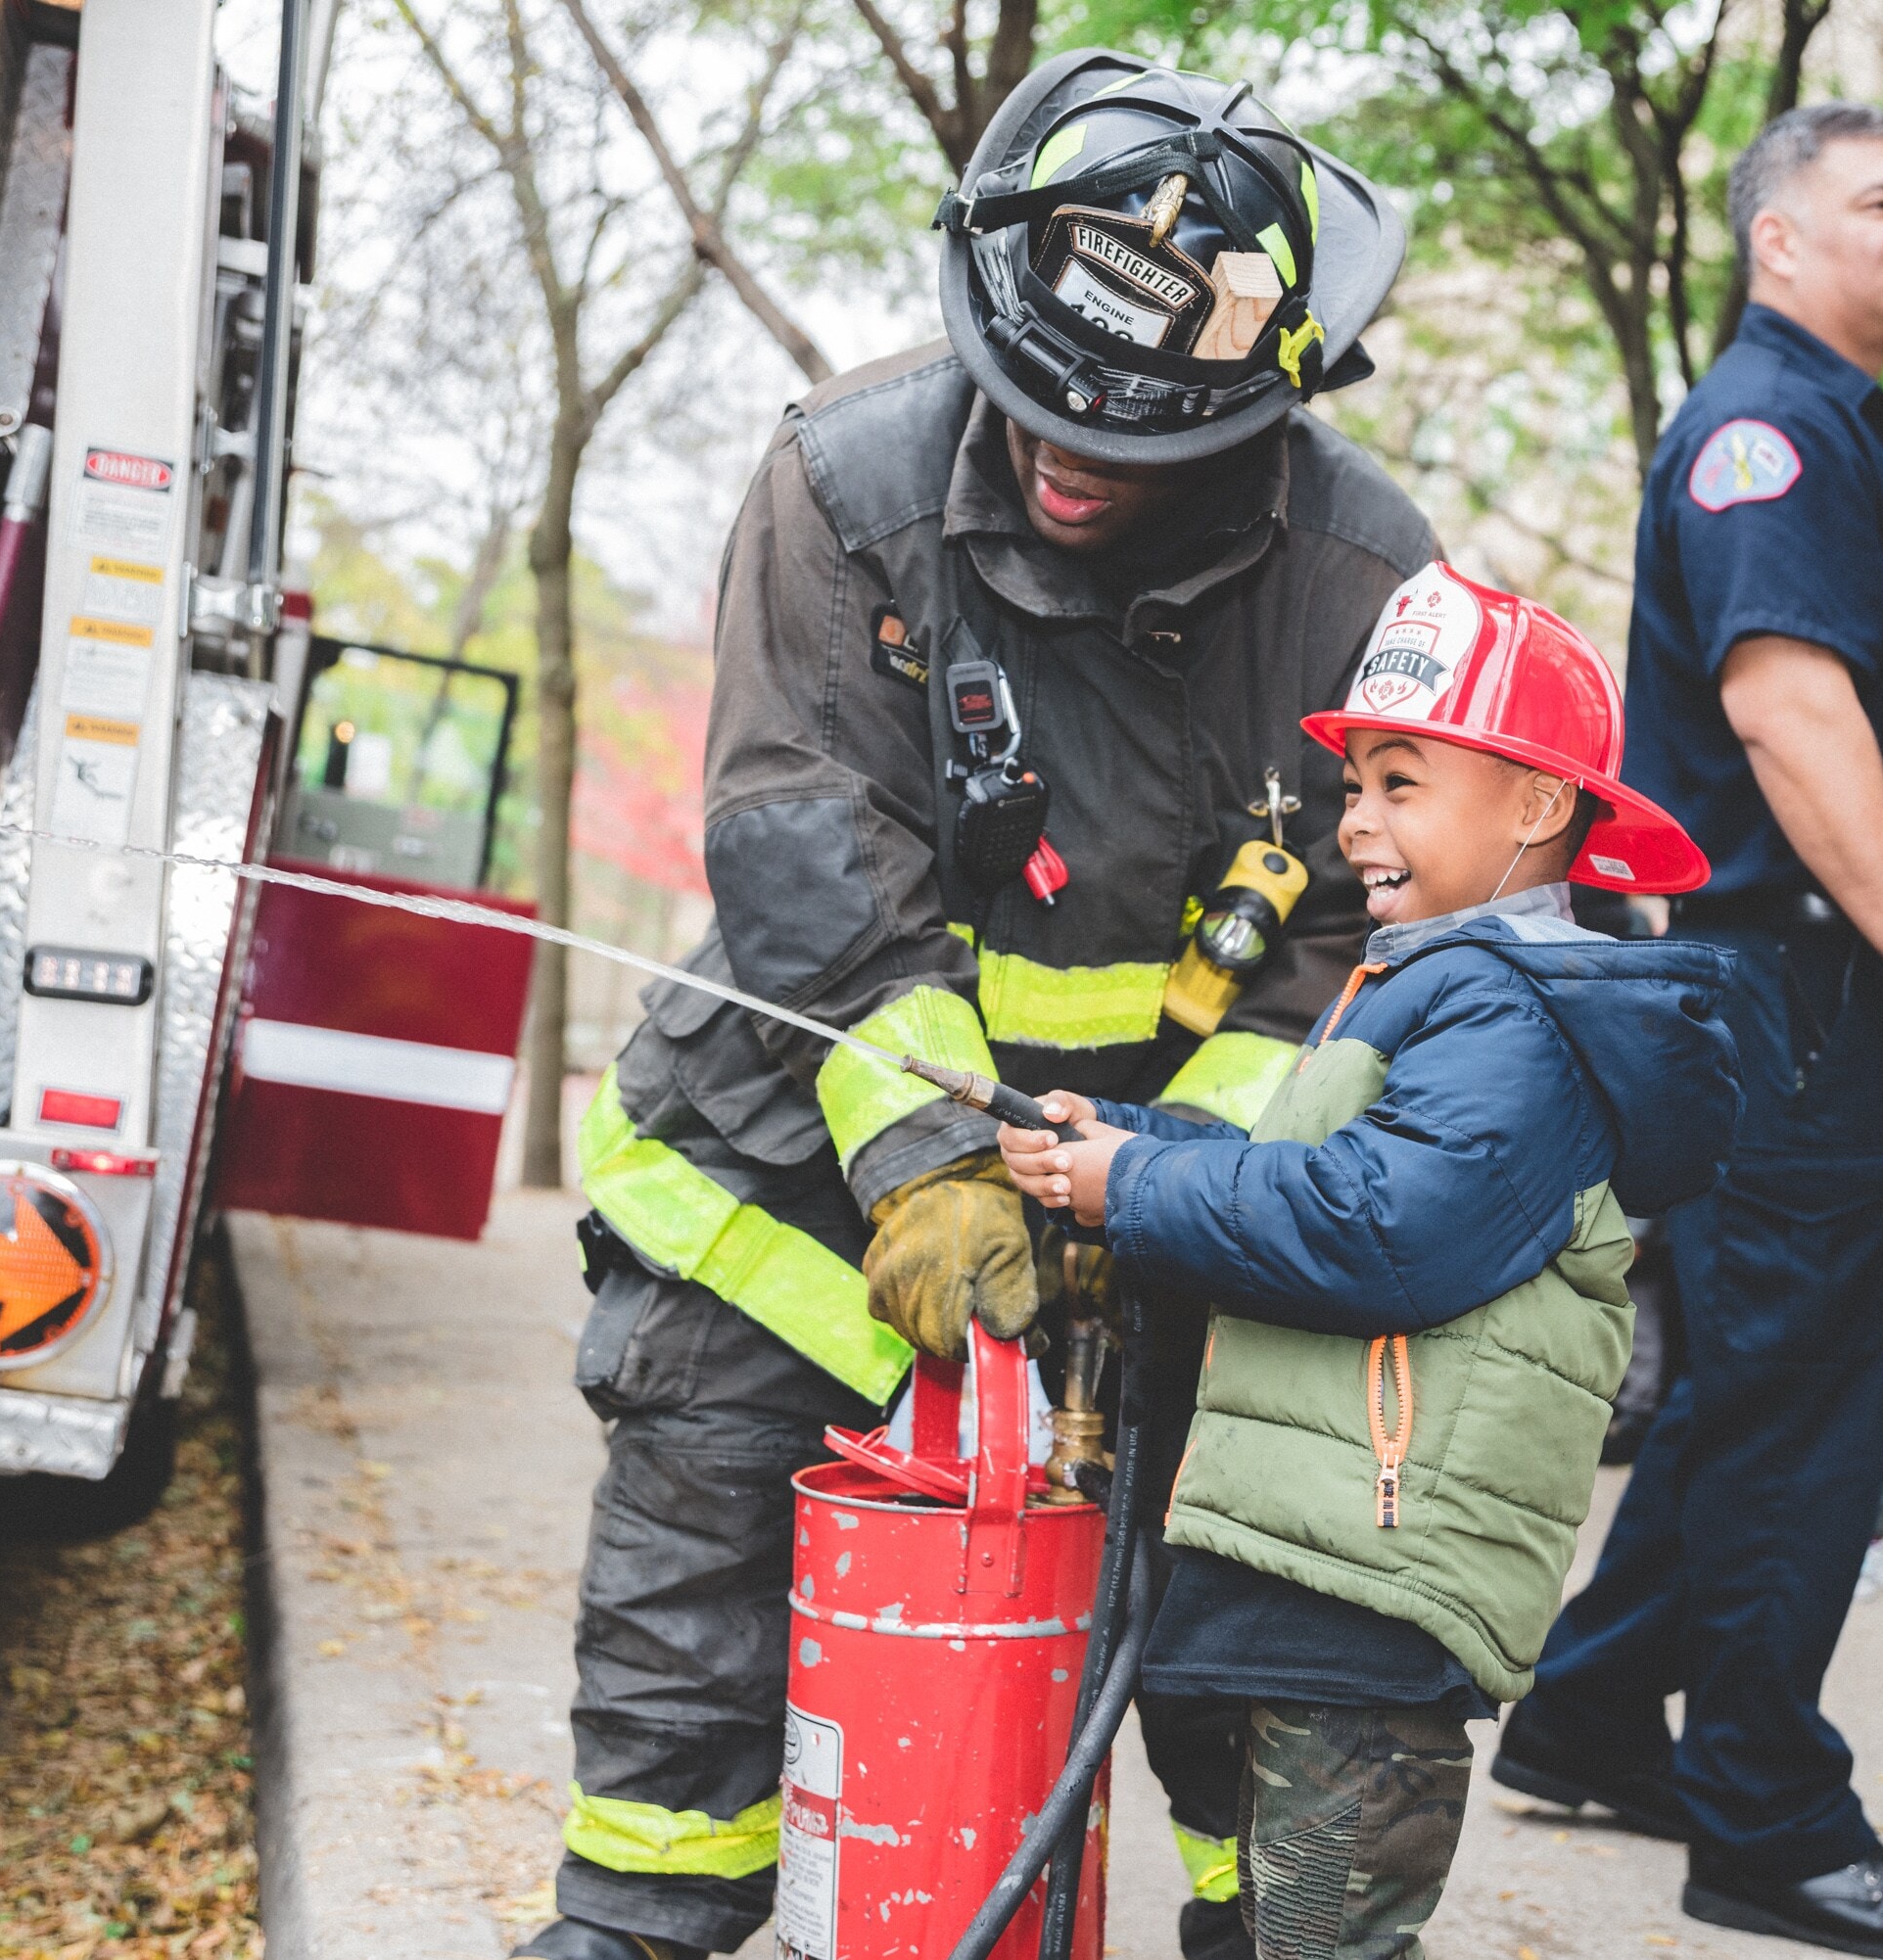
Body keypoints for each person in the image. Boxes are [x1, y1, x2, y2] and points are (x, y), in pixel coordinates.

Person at [516, 54, 1436, 1960]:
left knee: (1219, 1631)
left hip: (1170, 1208)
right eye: (1028, 400)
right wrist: (937, 1157)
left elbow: (1351, 928)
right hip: (800, 1165)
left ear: (1264, 411)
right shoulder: (844, 485)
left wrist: (1170, 1186)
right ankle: (635, 1929)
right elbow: (804, 845)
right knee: (699, 1609)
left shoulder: (1364, 580)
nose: (1067, 449)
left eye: (1137, 434)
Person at [1000, 568, 1738, 1959]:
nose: (1354, 820)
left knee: (1330, 1929)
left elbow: (1376, 1226)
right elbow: (1302, 1156)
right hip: (1320, 1544)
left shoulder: (1522, 1015)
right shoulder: (1414, 982)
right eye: (1352, 785)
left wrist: (1135, 1183)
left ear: (1537, 805)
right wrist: (1130, 1141)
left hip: (1381, 1574)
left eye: (1402, 782)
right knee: (1276, 1913)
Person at [1491, 101, 1883, 1960]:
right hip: (1813, 993)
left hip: (1810, 998)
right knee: (1810, 1426)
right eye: (1882, 198)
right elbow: (1793, 711)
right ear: (1776, 240)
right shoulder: (1770, 435)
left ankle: (1583, 1715)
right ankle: (1768, 1818)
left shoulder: (1835, 426)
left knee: (1756, 1391)